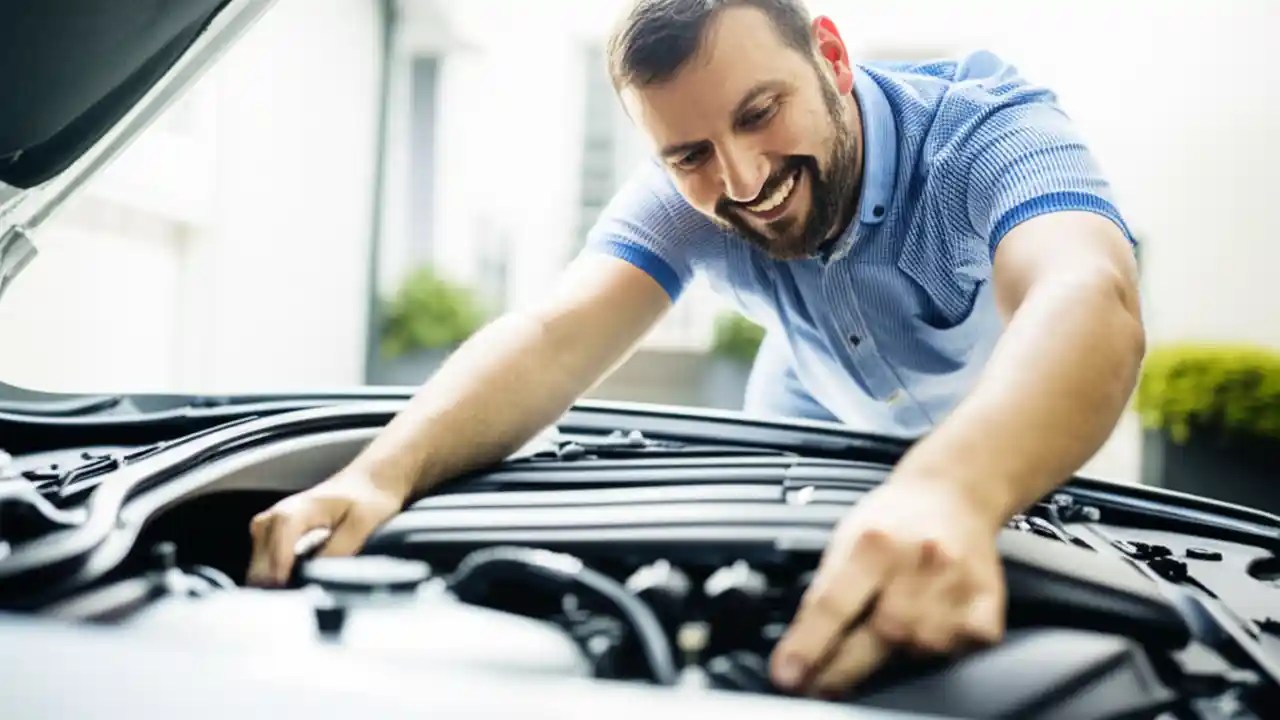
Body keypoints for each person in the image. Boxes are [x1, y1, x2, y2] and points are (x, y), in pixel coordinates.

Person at [246, 0, 1145, 698]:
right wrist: (379, 475)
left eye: (761, 112)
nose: (742, 181)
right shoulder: (684, 193)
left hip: (1004, 446)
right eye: (690, 155)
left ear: (832, 57)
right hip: (807, 419)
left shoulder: (985, 136)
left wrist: (949, 491)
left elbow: (1088, 296)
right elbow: (553, 337)